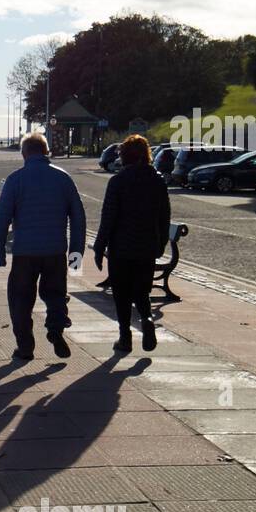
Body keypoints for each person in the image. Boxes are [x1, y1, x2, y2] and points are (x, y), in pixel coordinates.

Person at [0, 133, 87, 360]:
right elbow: (78, 218)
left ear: (24, 153)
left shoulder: (16, 179)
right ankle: (55, 330)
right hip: (55, 252)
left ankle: (25, 347)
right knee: (55, 295)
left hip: (25, 252)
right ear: (46, 152)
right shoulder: (63, 179)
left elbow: (2, 218)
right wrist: (76, 254)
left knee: (20, 299)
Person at [93, 134, 171, 354]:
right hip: (146, 247)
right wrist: (161, 243)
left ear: (124, 156)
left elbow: (108, 217)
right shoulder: (157, 181)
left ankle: (125, 337)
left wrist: (100, 247)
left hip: (121, 248)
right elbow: (164, 216)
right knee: (141, 291)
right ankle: (146, 320)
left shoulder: (118, 181)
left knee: (122, 294)